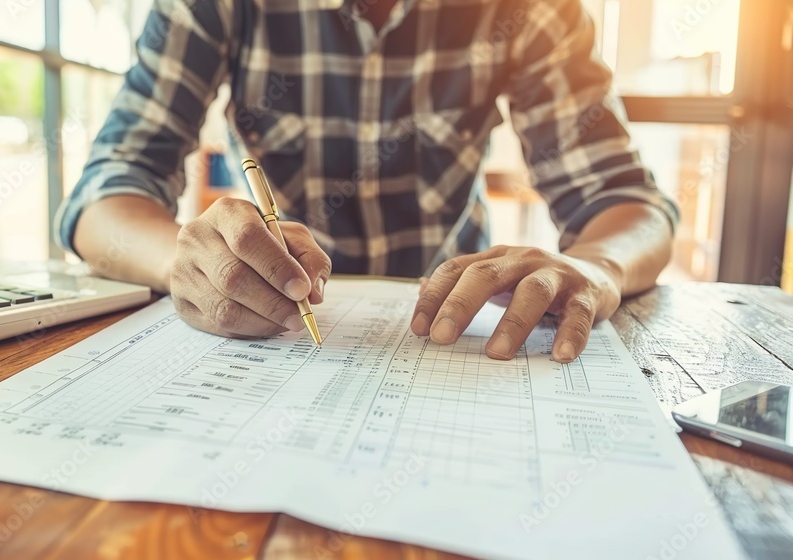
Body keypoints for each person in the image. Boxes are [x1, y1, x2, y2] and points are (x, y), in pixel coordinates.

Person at [55, 0, 677, 363]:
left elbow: (625, 201)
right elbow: (105, 194)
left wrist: (599, 269)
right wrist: (182, 263)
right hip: (282, 327)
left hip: (452, 332)